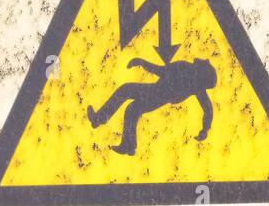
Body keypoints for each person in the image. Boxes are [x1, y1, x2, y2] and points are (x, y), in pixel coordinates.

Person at [87, 56, 217, 156]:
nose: (205, 60)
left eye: (206, 64)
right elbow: (208, 109)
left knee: (129, 100)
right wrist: (205, 129)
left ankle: (106, 125)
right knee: (131, 106)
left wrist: (142, 62)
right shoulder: (194, 82)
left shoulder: (189, 74)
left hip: (157, 93)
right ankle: (127, 144)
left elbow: (160, 71)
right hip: (158, 93)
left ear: (202, 72)